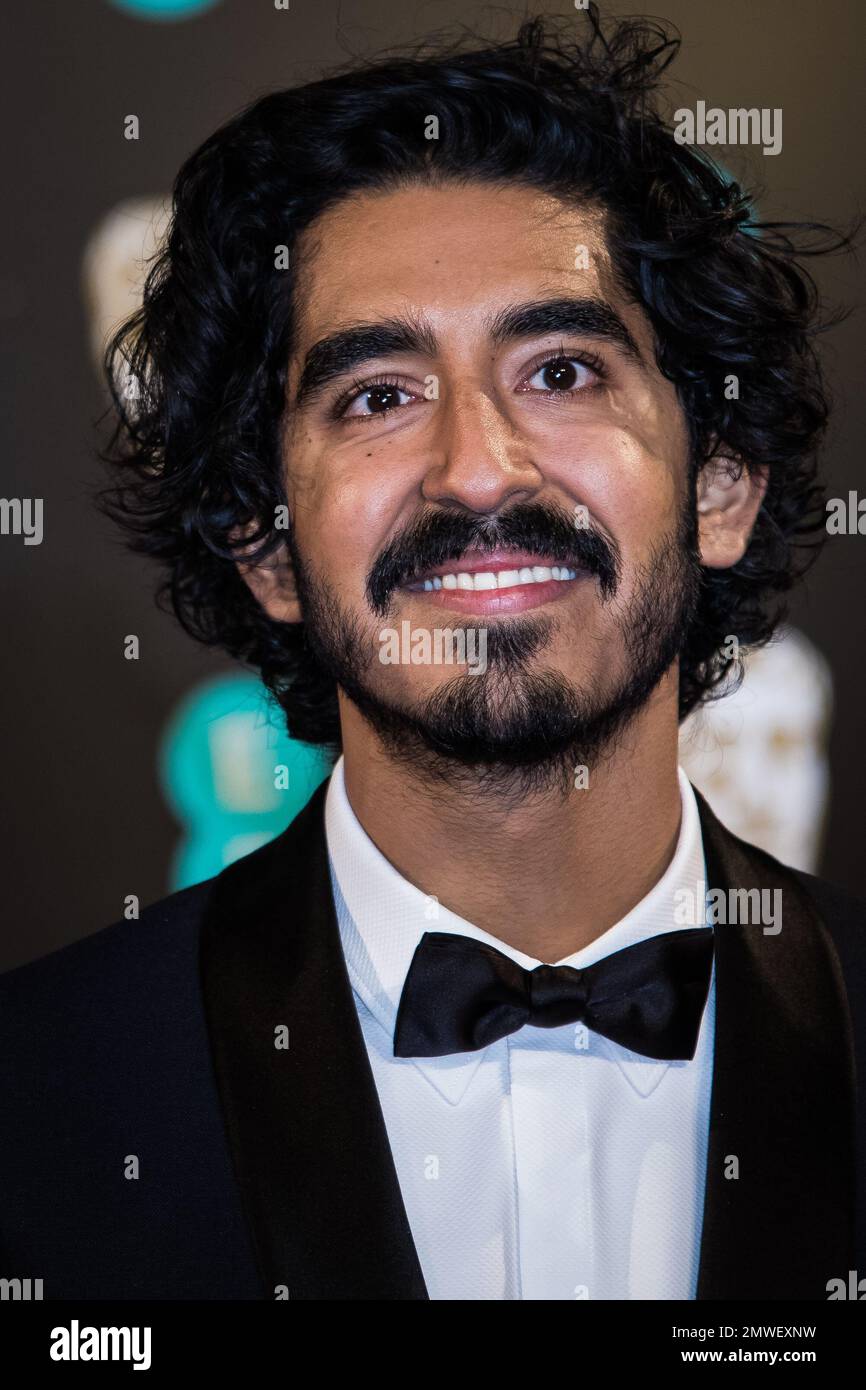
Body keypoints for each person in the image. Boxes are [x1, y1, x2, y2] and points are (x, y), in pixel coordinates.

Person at [1, 9, 862, 1302]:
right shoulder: (35, 1096)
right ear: (265, 546)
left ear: (719, 489)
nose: (474, 468)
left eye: (562, 370)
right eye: (377, 397)